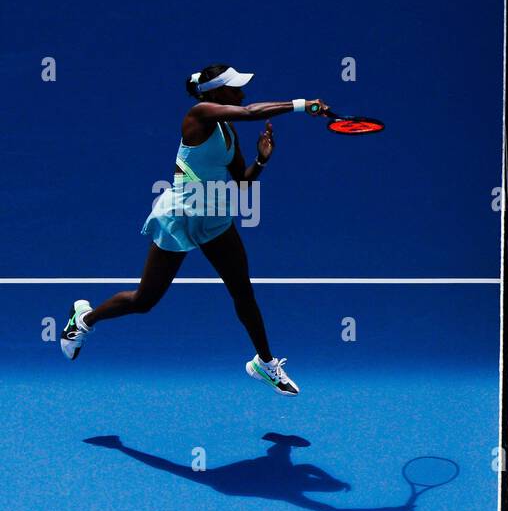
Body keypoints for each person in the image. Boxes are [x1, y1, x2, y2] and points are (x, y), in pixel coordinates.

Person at [60, 64, 329, 396]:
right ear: (215, 93)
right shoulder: (198, 115)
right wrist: (303, 105)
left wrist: (261, 160)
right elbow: (249, 111)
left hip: (214, 217)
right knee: (144, 300)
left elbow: (242, 183)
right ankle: (84, 320)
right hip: (180, 216)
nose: (242, 94)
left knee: (243, 291)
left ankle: (264, 362)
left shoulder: (229, 135)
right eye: (234, 88)